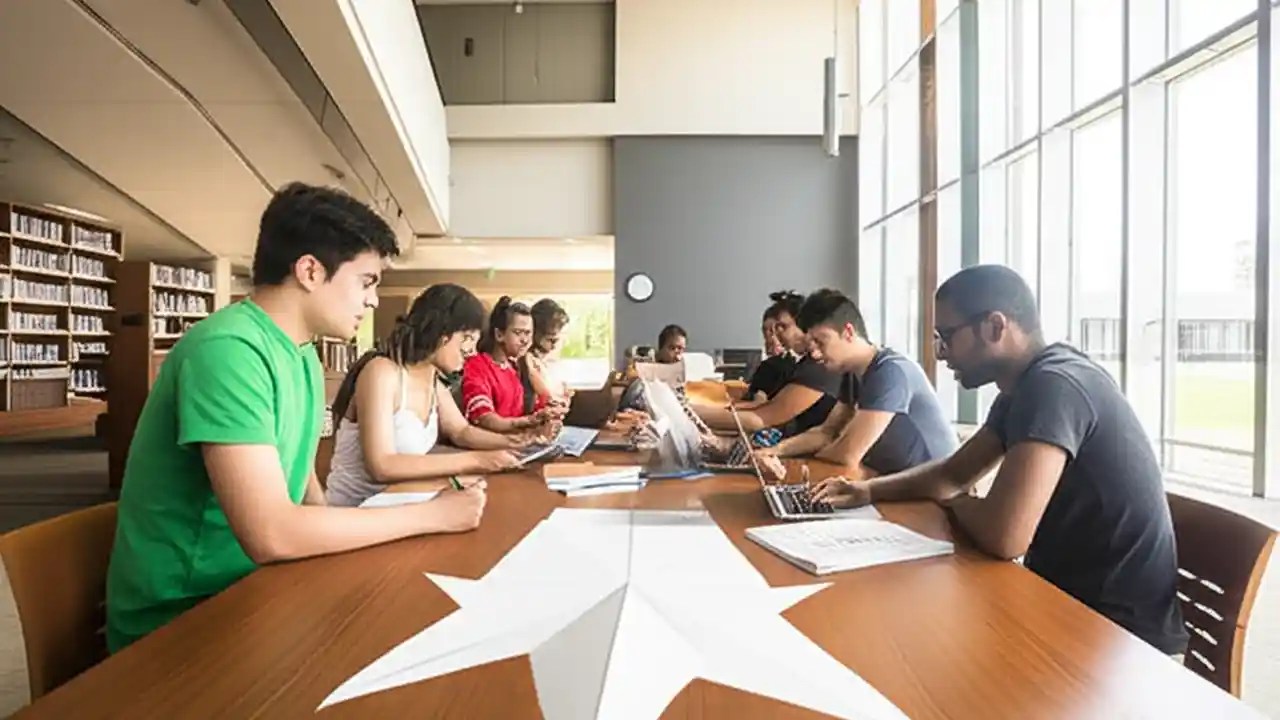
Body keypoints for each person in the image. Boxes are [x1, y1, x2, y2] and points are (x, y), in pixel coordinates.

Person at [105, 183, 487, 652]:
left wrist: (329, 531)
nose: (372, 301)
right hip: (183, 619)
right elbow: (271, 532)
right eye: (367, 282)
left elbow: (299, 471)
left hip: (259, 589)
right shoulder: (229, 350)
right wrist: (431, 515)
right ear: (310, 270)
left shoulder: (302, 354)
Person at [811, 265, 1188, 656]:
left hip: (1120, 641)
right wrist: (866, 490)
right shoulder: (1023, 387)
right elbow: (952, 473)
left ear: (994, 326)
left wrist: (955, 501)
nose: (940, 353)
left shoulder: (1055, 386)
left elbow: (1005, 536)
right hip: (1064, 606)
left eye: (947, 337)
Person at [324, 284, 532, 507]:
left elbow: (462, 431)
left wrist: (518, 443)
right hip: (355, 512)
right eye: (468, 338)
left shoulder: (433, 381)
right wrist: (477, 460)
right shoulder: (382, 372)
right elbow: (382, 465)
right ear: (442, 332)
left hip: (399, 505)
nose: (471, 350)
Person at [757, 288, 955, 478]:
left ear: (848, 332)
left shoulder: (890, 371)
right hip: (894, 480)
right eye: (811, 344)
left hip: (933, 491)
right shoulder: (851, 374)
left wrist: (799, 459)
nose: (815, 353)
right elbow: (827, 432)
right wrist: (774, 451)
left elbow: (847, 453)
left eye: (821, 342)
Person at [693, 291, 839, 438]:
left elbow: (762, 419)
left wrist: (691, 413)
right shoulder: (803, 365)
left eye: (783, 326)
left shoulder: (818, 368)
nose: (777, 334)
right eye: (771, 330)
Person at [462, 297, 560, 434]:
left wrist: (546, 413)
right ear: (499, 335)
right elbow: (484, 417)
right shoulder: (477, 365)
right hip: (490, 446)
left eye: (528, 333)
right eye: (518, 333)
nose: (525, 340)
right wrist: (525, 422)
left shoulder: (514, 367)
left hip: (516, 440)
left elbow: (526, 411)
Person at [740, 297, 795, 406]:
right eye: (766, 331)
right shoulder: (765, 365)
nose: (771, 336)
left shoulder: (802, 367)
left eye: (776, 329)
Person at [519, 298, 572, 412]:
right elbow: (547, 397)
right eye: (551, 340)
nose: (554, 346)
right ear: (535, 333)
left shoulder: (541, 360)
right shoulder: (527, 359)